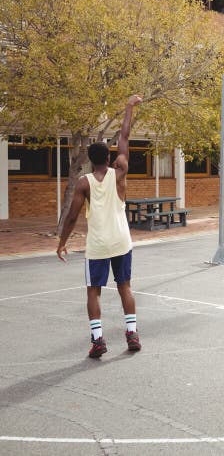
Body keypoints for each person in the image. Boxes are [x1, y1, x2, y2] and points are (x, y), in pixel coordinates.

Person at [57, 94, 143, 359]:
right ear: (109, 156)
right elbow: (125, 138)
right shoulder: (120, 173)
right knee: (124, 287)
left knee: (93, 292)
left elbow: (71, 217)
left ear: (90, 160)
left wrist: (62, 242)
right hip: (121, 241)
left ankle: (98, 340)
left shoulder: (84, 182)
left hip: (98, 245)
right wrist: (129, 106)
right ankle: (132, 334)